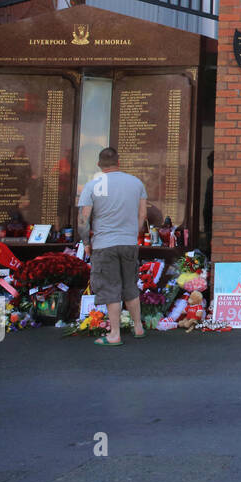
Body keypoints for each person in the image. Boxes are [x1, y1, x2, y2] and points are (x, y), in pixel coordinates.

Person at [77, 147, 148, 346]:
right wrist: (134, 233)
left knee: (110, 288)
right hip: (128, 242)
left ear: (99, 164)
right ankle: (138, 327)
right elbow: (142, 215)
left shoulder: (92, 185)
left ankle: (114, 334)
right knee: (129, 285)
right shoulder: (136, 183)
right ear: (118, 162)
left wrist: (86, 243)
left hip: (104, 244)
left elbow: (84, 219)